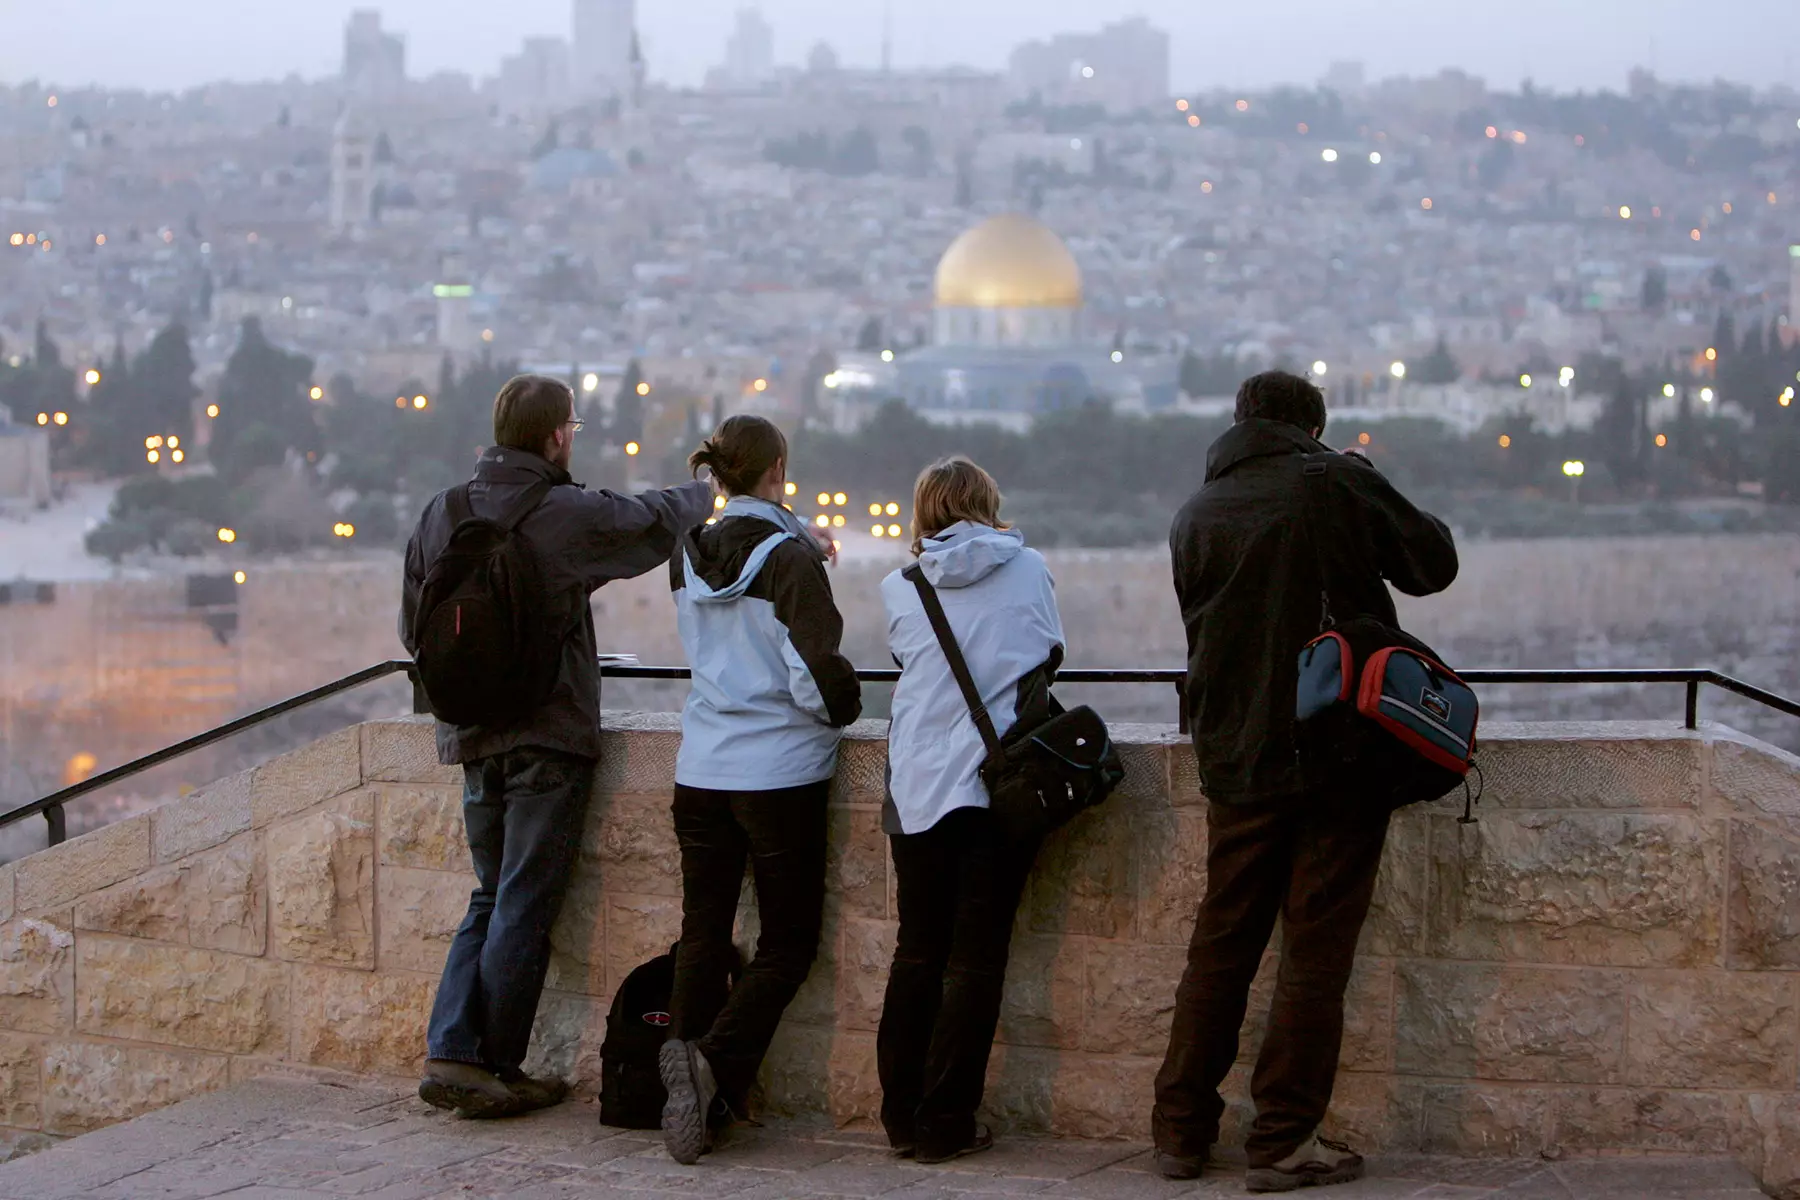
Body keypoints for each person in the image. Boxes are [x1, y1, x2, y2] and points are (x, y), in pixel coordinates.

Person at [1154, 371, 1458, 1192]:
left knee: (1222, 944)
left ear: (1240, 421)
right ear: (1312, 428)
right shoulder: (1334, 481)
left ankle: (1180, 1131)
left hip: (1232, 750)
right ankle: (1283, 1139)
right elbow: (1433, 564)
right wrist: (1361, 474)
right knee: (1314, 953)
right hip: (1334, 754)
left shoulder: (1196, 512)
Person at [400, 374, 713, 1119]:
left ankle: (452, 1049)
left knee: (488, 893)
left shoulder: (442, 512)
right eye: (571, 426)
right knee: (523, 901)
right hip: (547, 733)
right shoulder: (563, 511)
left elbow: (415, 626)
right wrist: (706, 488)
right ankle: (494, 1065)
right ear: (555, 437)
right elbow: (647, 522)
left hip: (470, 735)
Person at [658, 415, 861, 1164]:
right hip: (779, 773)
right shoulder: (790, 562)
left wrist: (798, 538)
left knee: (704, 934)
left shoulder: (687, 555)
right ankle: (711, 1066)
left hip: (701, 766)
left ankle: (684, 1086)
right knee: (787, 943)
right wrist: (845, 710)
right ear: (779, 467)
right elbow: (816, 678)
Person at [875, 457, 1064, 1165]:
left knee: (917, 951)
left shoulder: (901, 585)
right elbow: (1050, 653)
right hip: (995, 785)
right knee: (976, 961)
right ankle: (945, 1121)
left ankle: (899, 1115)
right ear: (988, 504)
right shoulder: (1031, 568)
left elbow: (906, 657)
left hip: (920, 782)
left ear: (923, 512)